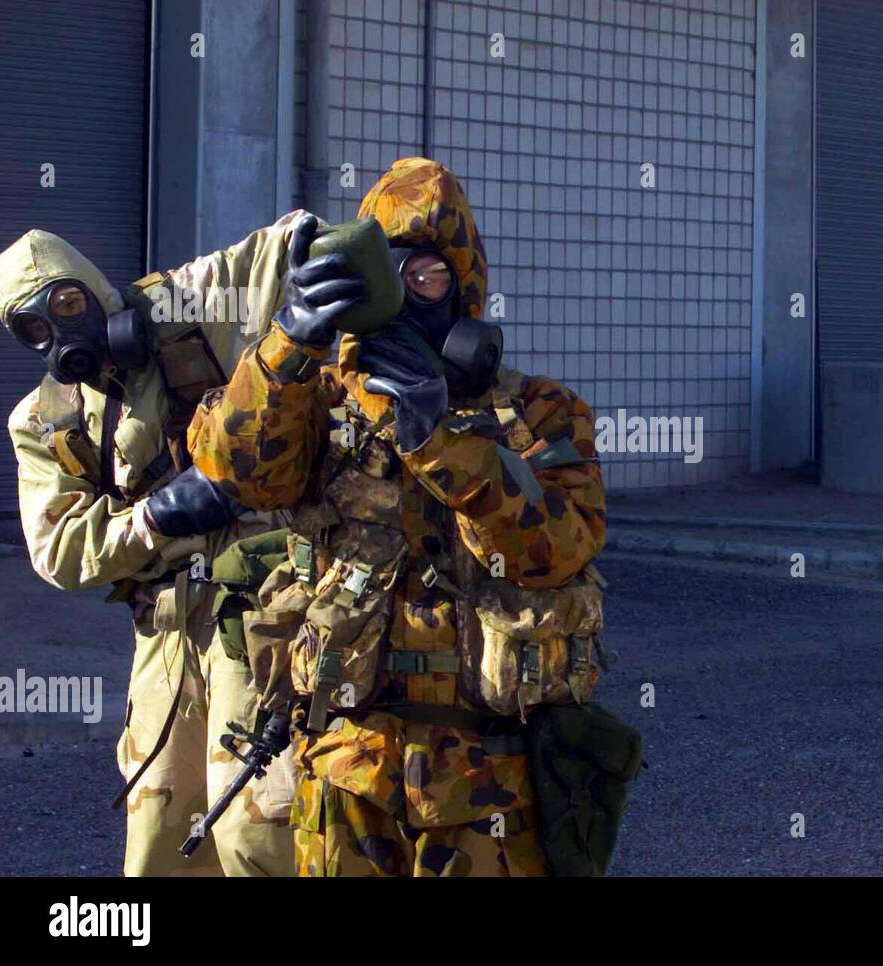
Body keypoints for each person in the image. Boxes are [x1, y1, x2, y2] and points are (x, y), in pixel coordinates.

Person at [187, 157, 610, 876]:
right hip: (348, 766)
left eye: (430, 276)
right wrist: (287, 347)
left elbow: (556, 549)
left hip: (490, 778)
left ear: (466, 286)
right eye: (391, 276)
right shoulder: (320, 400)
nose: (412, 297)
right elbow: (237, 470)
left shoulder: (539, 409)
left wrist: (437, 440)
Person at [0, 218, 304, 876]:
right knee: (158, 841)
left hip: (258, 614)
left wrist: (328, 261)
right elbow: (58, 550)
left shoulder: (184, 304)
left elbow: (283, 245)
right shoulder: (46, 418)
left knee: (261, 828)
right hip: (165, 630)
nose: (61, 330)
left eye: (69, 302)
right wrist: (158, 518)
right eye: (35, 327)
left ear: (96, 289)